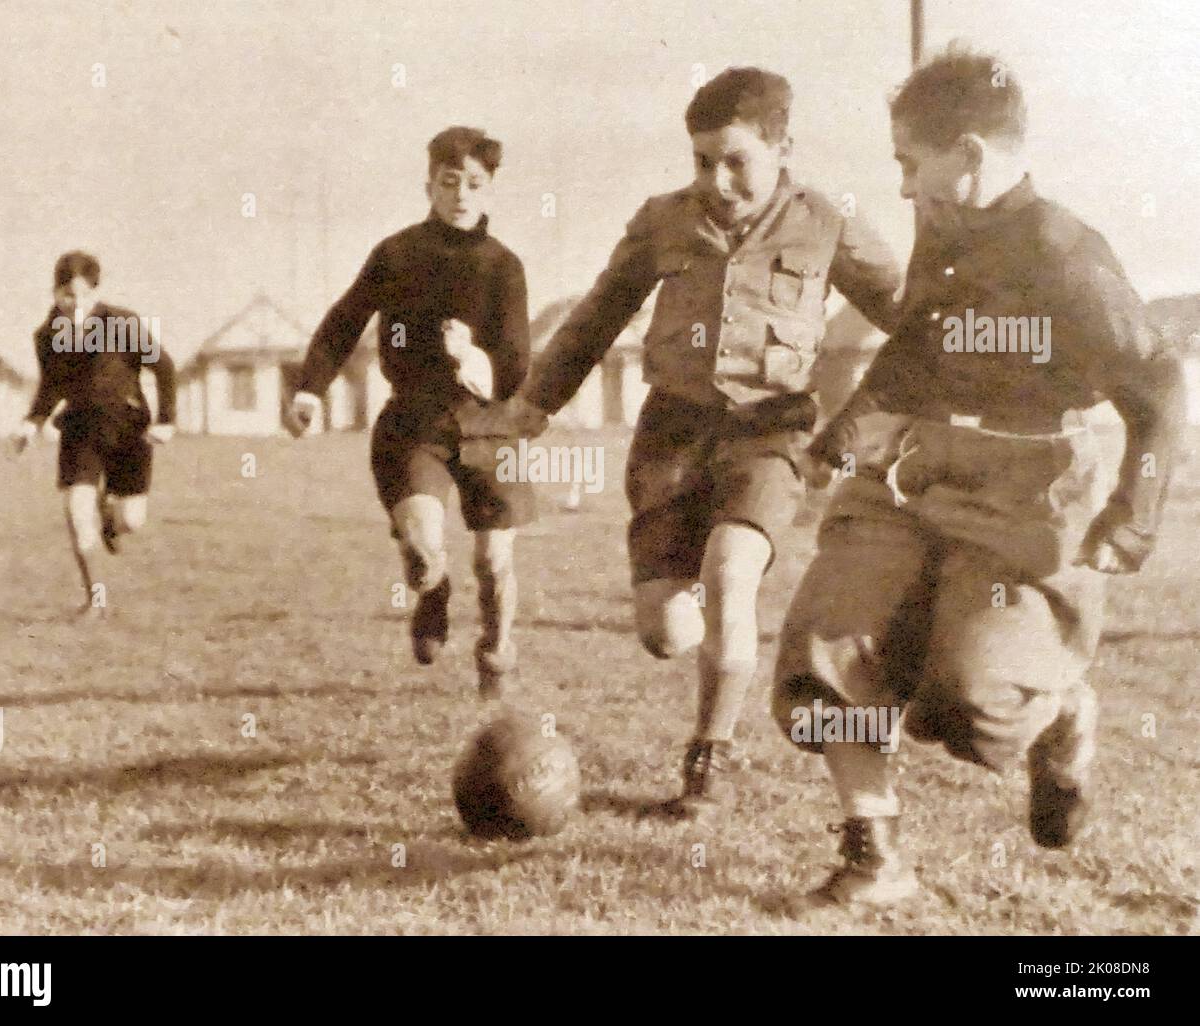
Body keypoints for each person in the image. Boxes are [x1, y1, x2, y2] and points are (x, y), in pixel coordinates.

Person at [773, 48, 1185, 907]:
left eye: (907, 164)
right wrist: (839, 447)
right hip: (907, 471)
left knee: (969, 705)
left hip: (1025, 491)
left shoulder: (1067, 255)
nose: (900, 187)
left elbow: (1158, 386)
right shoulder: (943, 231)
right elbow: (915, 351)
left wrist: (1132, 517)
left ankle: (1062, 711)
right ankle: (873, 853)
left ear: (966, 154)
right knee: (823, 649)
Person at [465, 67, 902, 819]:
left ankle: (706, 761)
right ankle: (709, 633)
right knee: (667, 632)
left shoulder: (826, 222)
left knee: (731, 573)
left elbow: (913, 321)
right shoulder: (662, 220)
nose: (717, 180)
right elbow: (597, 315)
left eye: (737, 162)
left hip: (770, 432)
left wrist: (889, 414)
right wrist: (533, 404)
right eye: (702, 161)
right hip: (671, 438)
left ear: (781, 147)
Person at [284, 126, 534, 700]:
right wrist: (309, 389)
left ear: (490, 189)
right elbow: (345, 319)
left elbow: (519, 363)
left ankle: (496, 655)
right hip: (415, 423)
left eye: (475, 184)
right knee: (423, 545)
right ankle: (433, 588)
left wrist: (477, 358)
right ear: (429, 185)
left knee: (495, 560)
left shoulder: (504, 267)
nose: (462, 195)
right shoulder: (397, 254)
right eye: (450, 183)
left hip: (489, 425)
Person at [11, 251, 176, 617]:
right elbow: (51, 385)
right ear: (55, 293)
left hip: (129, 429)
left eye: (84, 295)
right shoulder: (46, 335)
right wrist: (32, 421)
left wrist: (166, 420)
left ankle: (110, 517)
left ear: (96, 292)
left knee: (131, 521)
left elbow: (164, 367)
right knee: (76, 512)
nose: (76, 304)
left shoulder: (122, 322)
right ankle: (95, 601)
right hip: (80, 432)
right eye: (68, 295)